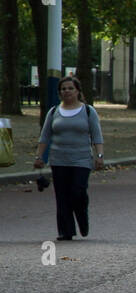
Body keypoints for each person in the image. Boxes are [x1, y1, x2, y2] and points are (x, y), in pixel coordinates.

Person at [34, 76, 105, 241]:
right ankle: (66, 231)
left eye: (70, 88)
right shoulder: (53, 112)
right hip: (59, 159)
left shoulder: (88, 111)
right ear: (59, 92)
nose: (66, 91)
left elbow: (97, 135)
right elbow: (45, 136)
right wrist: (39, 157)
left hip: (81, 159)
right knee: (62, 195)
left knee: (77, 192)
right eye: (63, 89)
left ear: (78, 91)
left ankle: (82, 217)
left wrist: (99, 156)